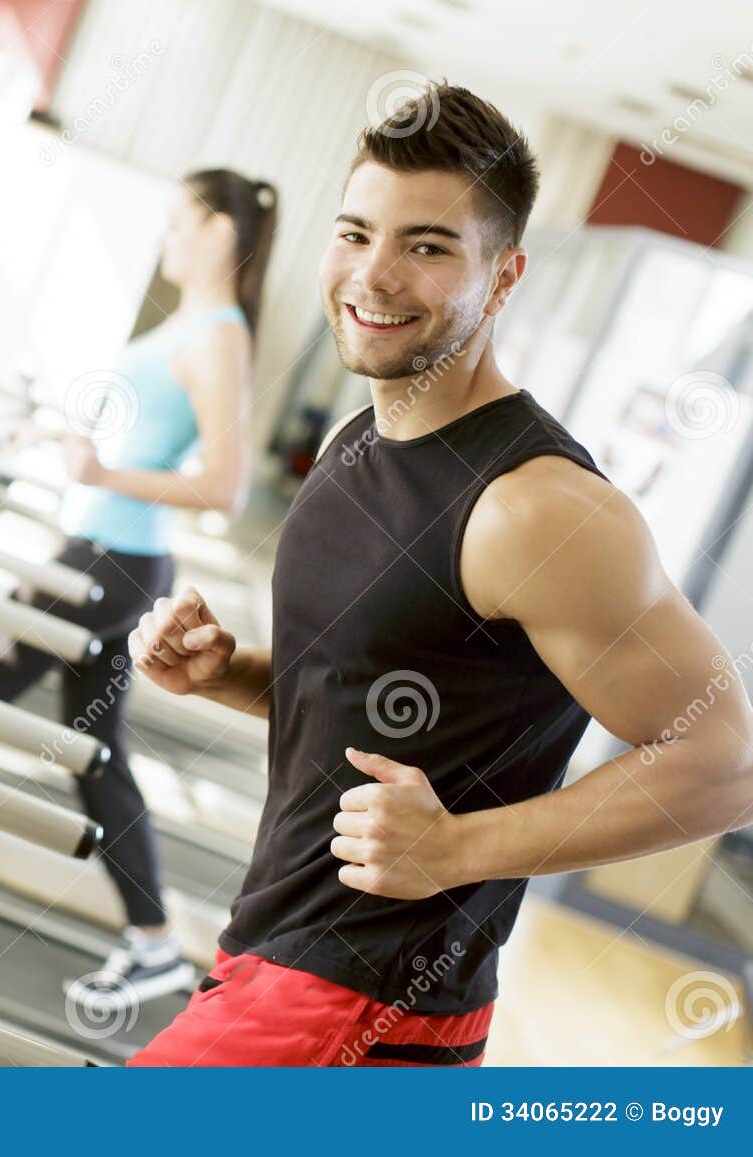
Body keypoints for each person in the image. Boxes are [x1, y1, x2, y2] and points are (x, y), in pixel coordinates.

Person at [128, 82, 753, 1066]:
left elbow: (726, 762)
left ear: (501, 279)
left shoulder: (536, 507)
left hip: (353, 997)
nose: (373, 274)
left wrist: (457, 850)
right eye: (355, 232)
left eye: (426, 246)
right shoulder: (357, 441)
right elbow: (372, 697)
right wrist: (232, 671)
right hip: (279, 957)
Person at [0, 168, 279, 1005]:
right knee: (95, 756)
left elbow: (222, 484)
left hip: (108, 564)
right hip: (106, 554)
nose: (167, 240)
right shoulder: (195, 324)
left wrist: (104, 470)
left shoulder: (220, 333)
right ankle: (152, 940)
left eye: (181, 223)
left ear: (221, 232)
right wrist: (59, 435)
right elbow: (139, 437)